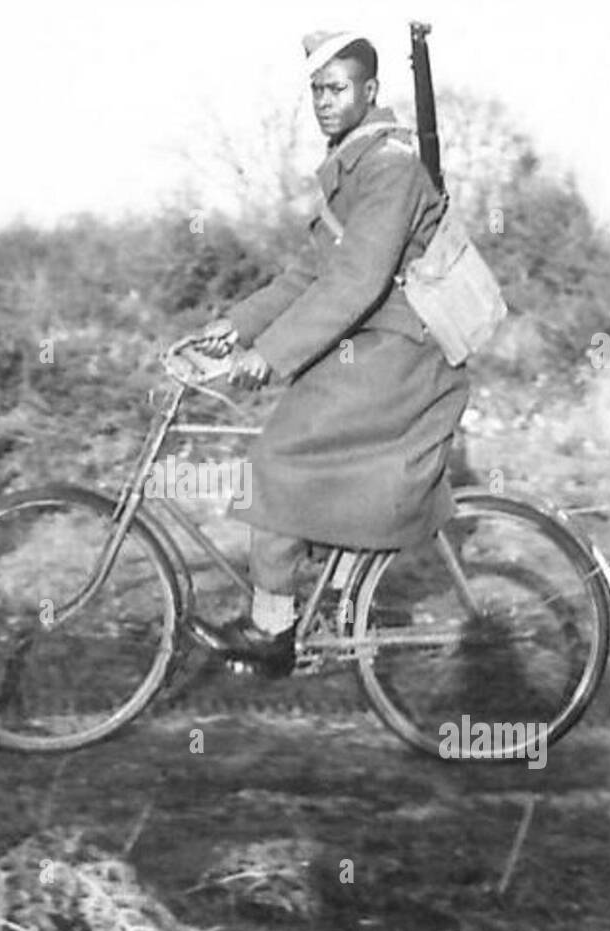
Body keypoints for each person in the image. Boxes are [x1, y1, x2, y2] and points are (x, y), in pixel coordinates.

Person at [196, 30, 471, 677]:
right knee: (305, 446)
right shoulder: (354, 163)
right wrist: (235, 328)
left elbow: (355, 282)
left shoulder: (391, 168)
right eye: (316, 90)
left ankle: (274, 627)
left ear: (369, 91)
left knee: (281, 452)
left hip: (405, 356)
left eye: (336, 88)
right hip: (373, 347)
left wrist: (270, 356)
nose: (323, 101)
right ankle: (328, 592)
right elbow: (307, 276)